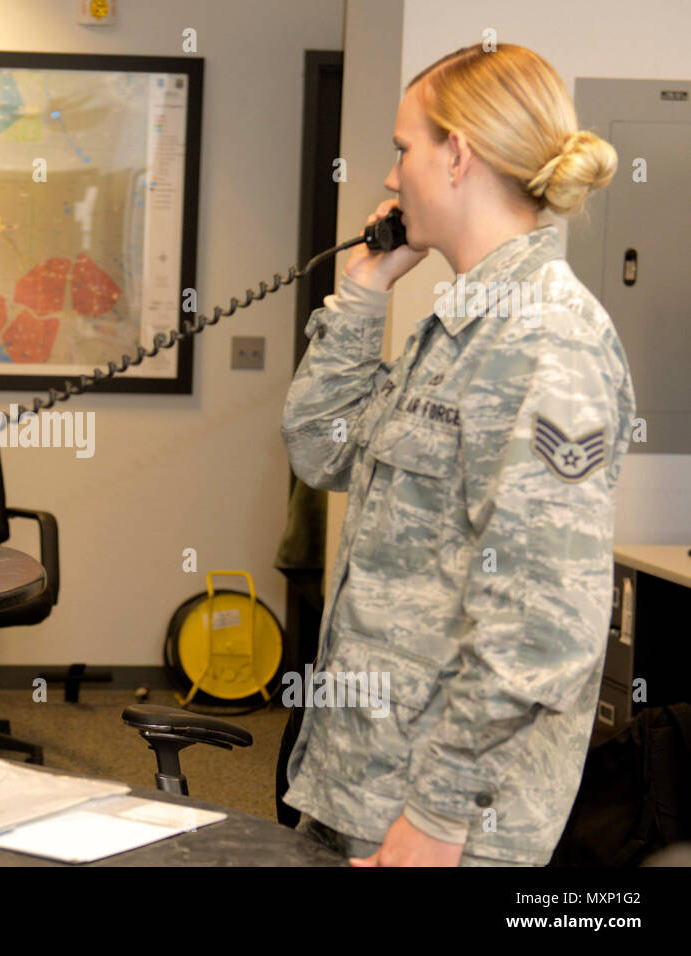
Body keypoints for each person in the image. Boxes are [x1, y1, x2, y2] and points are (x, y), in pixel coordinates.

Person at [280, 43, 634, 866]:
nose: (394, 177)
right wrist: (366, 289)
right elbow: (319, 448)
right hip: (361, 782)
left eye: (405, 148)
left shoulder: (548, 341)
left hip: (444, 822)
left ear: (459, 153)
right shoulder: (460, 327)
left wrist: (438, 815)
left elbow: (544, 624)